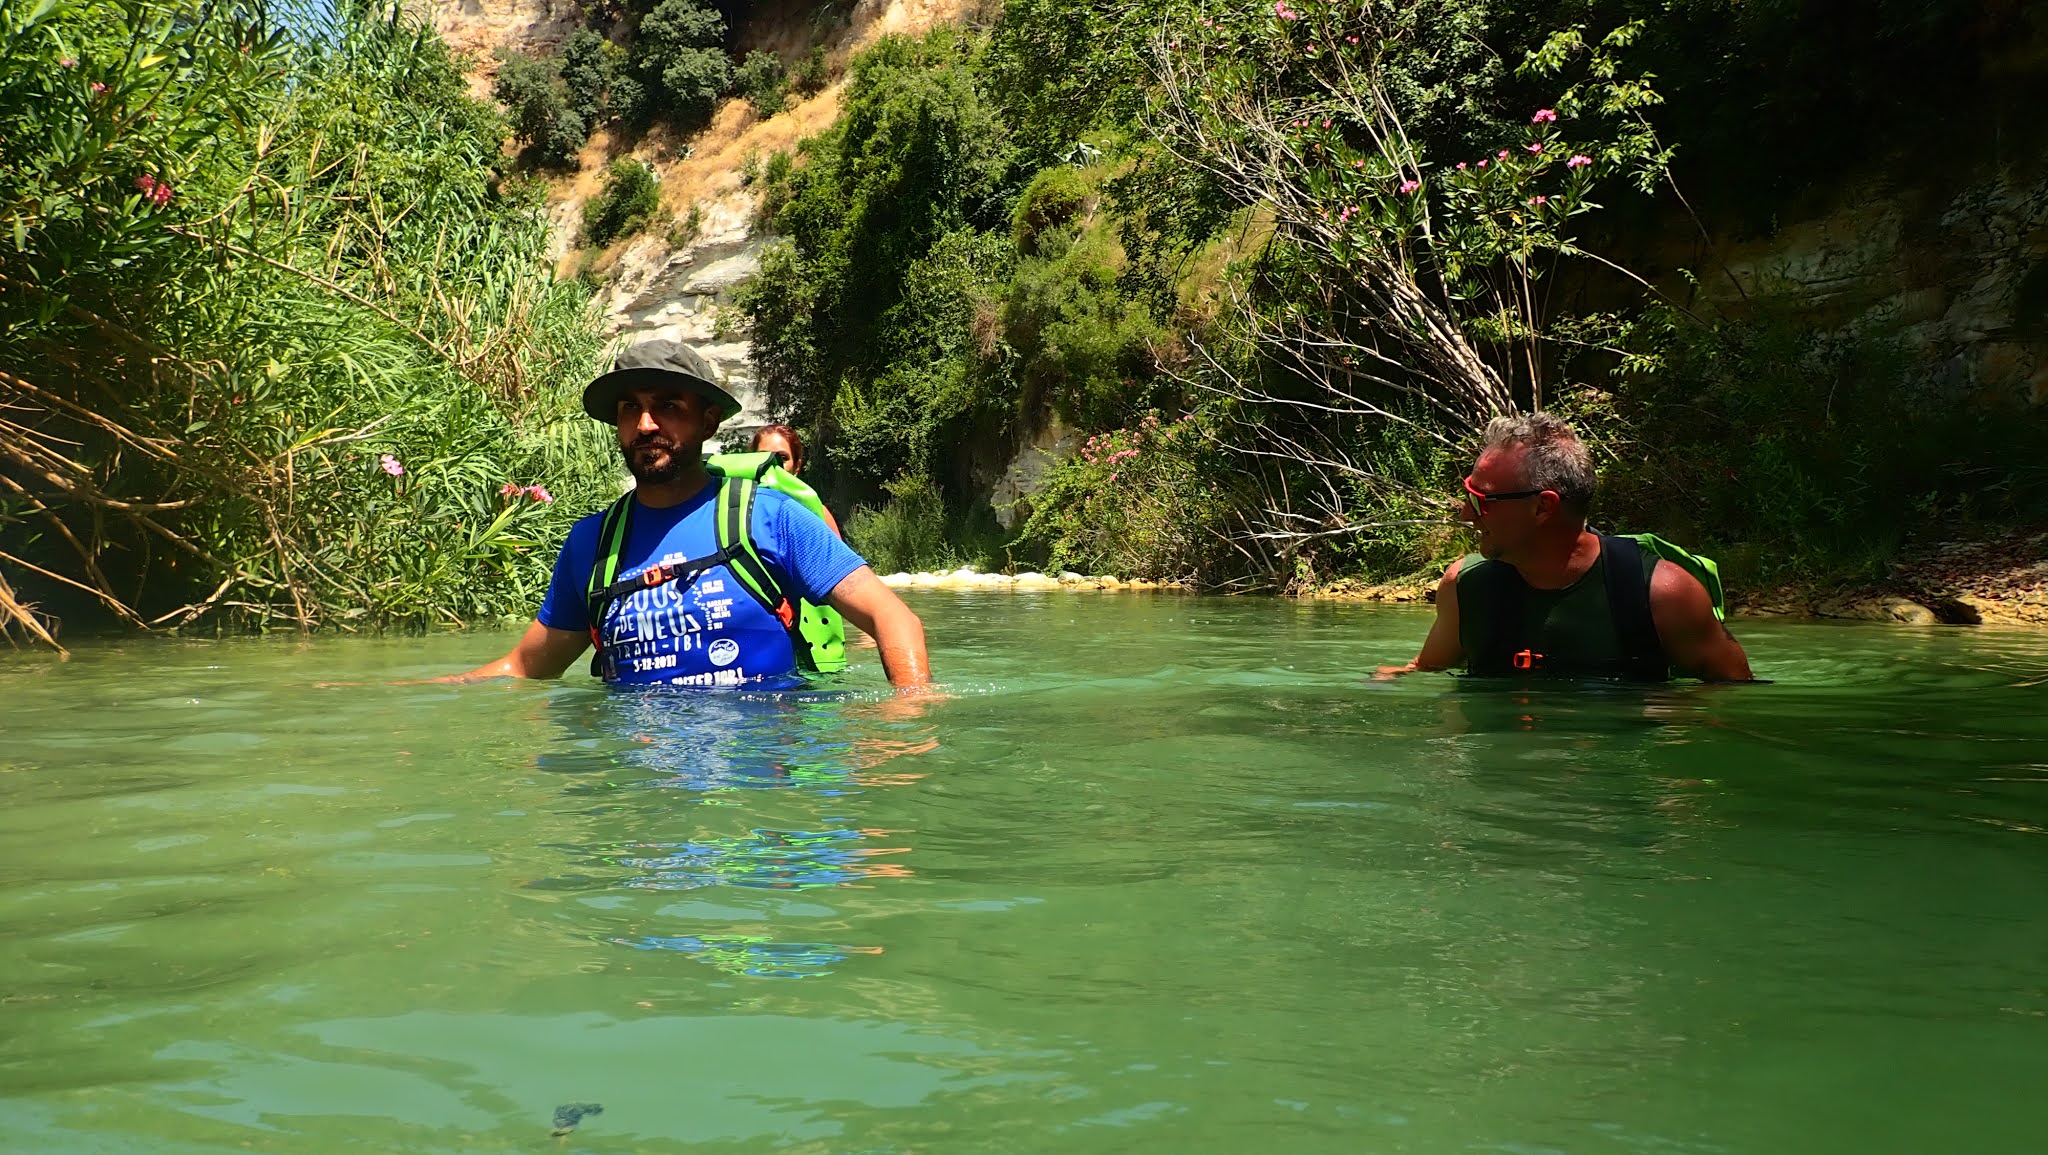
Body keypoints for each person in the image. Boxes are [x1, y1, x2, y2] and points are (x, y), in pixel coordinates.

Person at [446, 339, 930, 689]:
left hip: (762, 795)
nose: (645, 424)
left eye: (668, 406)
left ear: (708, 421)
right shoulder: (591, 544)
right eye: (629, 408)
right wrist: (413, 695)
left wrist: (907, 717)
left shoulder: (771, 518)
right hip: (638, 801)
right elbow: (529, 667)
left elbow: (894, 619)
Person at [1380, 412, 1753, 682]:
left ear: (1542, 507)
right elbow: (1424, 669)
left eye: (1481, 500)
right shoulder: (1464, 587)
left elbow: (1733, 696)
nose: (1465, 514)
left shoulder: (1664, 593)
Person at [749, 423, 841, 535]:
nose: (772, 464)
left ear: (796, 467)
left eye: (782, 458)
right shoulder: (737, 509)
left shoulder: (818, 513)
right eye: (763, 456)